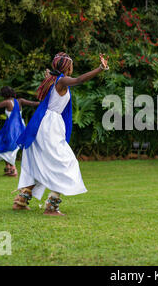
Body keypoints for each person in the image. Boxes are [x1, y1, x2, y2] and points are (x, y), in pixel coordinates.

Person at [12, 52, 109, 216]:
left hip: (43, 124)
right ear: (67, 66)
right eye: (71, 65)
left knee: (41, 163)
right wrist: (100, 68)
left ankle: (22, 200)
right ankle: (51, 206)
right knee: (66, 163)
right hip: (50, 127)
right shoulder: (62, 80)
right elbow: (79, 80)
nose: (73, 68)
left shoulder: (52, 79)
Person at [0, 87, 39, 176]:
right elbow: (34, 103)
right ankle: (8, 168)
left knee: (5, 146)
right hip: (21, 127)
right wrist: (44, 101)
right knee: (8, 146)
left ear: (4, 95)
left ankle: (13, 169)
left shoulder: (7, 102)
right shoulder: (20, 101)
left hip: (11, 129)